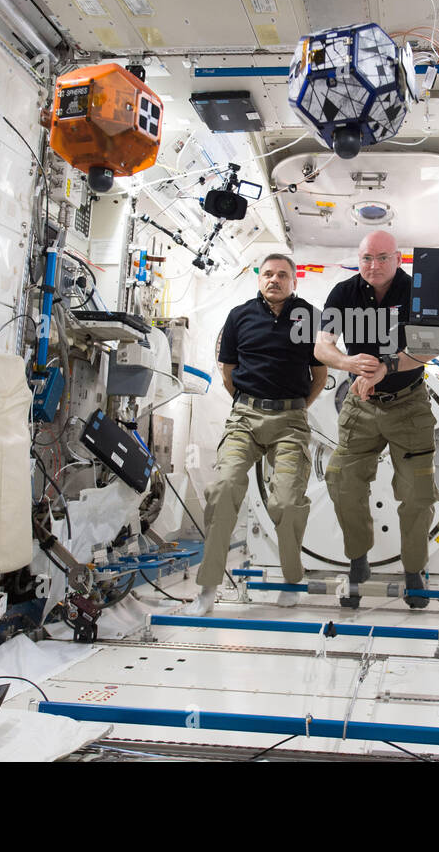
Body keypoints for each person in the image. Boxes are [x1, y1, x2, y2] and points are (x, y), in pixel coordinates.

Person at [186, 254, 327, 616]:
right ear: (259, 278)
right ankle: (207, 589)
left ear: (295, 281)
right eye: (268, 274)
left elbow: (320, 374)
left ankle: (292, 579)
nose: (274, 280)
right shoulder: (239, 316)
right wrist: (247, 404)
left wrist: (297, 408)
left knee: (285, 502)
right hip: (245, 417)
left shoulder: (310, 317)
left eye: (282, 275)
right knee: (224, 487)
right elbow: (227, 369)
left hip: (291, 420)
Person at [314, 230, 437, 609]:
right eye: (367, 257)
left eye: (383, 257)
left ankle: (414, 569)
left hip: (409, 403)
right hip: (360, 406)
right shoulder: (343, 293)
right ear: (359, 258)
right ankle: (358, 560)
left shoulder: (418, 291)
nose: (374, 265)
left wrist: (384, 367)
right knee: (340, 478)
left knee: (416, 493)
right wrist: (348, 363)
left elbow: (427, 347)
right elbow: (322, 345)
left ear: (398, 259)